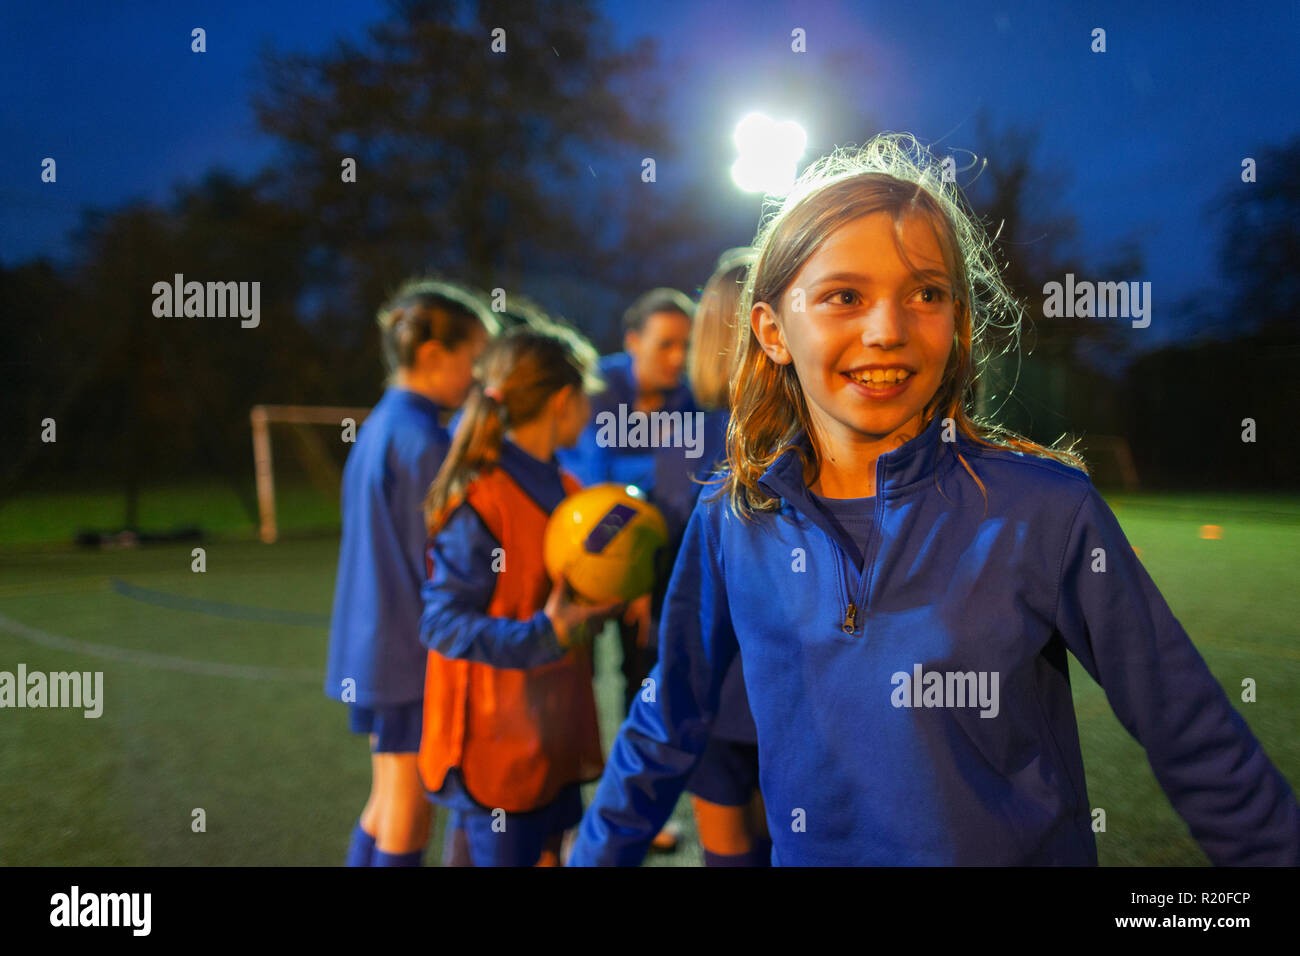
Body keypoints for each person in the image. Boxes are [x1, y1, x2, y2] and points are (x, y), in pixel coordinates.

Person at [567, 133, 1300, 866]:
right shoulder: (734, 517)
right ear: (772, 330)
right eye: (843, 296)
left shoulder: (1045, 511)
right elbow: (668, 720)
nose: (887, 330)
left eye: (925, 293)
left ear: (957, 322)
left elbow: (1192, 734)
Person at [419, 324, 624, 866]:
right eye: (587, 396)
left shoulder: (572, 494)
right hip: (496, 746)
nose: (591, 409)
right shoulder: (482, 500)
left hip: (550, 731)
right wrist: (543, 634)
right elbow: (440, 623)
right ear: (563, 401)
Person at [325, 278, 494, 866]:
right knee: (407, 805)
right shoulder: (424, 440)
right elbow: (440, 559)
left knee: (385, 797)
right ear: (431, 356)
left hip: (375, 646)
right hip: (406, 654)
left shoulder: (379, 424)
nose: (479, 376)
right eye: (474, 359)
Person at [649, 249, 770, 865]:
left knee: (727, 850)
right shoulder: (814, 434)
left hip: (711, 683)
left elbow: (664, 560)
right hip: (789, 682)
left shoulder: (685, 439)